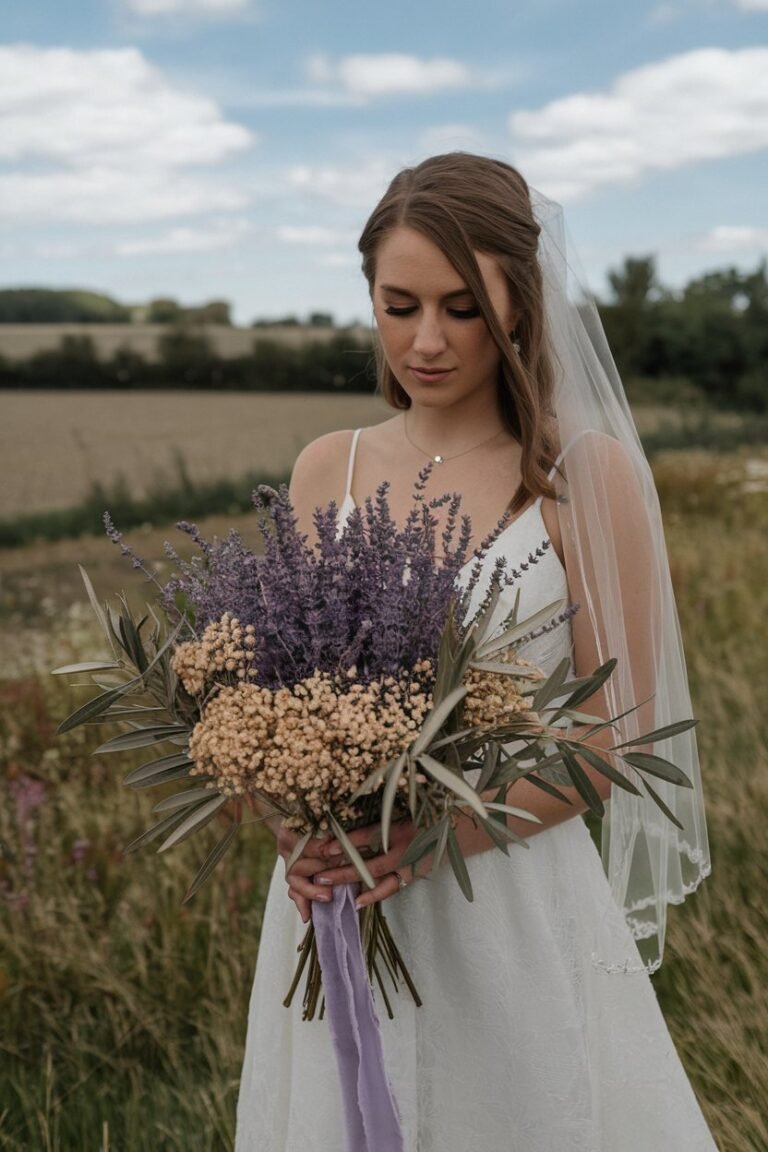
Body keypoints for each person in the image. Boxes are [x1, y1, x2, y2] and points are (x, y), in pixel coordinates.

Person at [235, 153, 716, 1150]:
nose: (426, 340)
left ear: (521, 308)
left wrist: (423, 843)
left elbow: (609, 740)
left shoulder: (587, 476)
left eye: (463, 309)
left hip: (504, 899)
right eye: (398, 303)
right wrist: (295, 823)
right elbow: (277, 693)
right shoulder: (330, 466)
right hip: (336, 904)